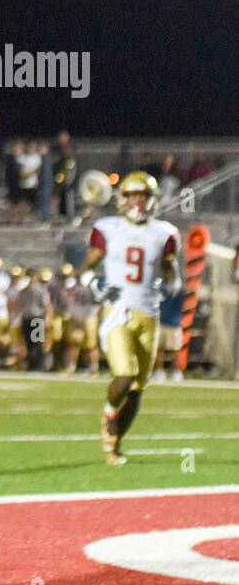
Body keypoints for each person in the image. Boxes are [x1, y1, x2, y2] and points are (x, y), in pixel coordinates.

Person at [77, 172, 180, 464]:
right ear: (122, 199)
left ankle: (115, 443)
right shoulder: (107, 228)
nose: (138, 202)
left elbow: (171, 273)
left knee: (138, 389)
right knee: (124, 374)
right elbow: (85, 268)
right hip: (118, 312)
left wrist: (171, 285)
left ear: (152, 200)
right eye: (133, 195)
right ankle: (109, 414)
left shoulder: (165, 233)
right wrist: (94, 283)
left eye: (144, 196)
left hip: (150, 313)